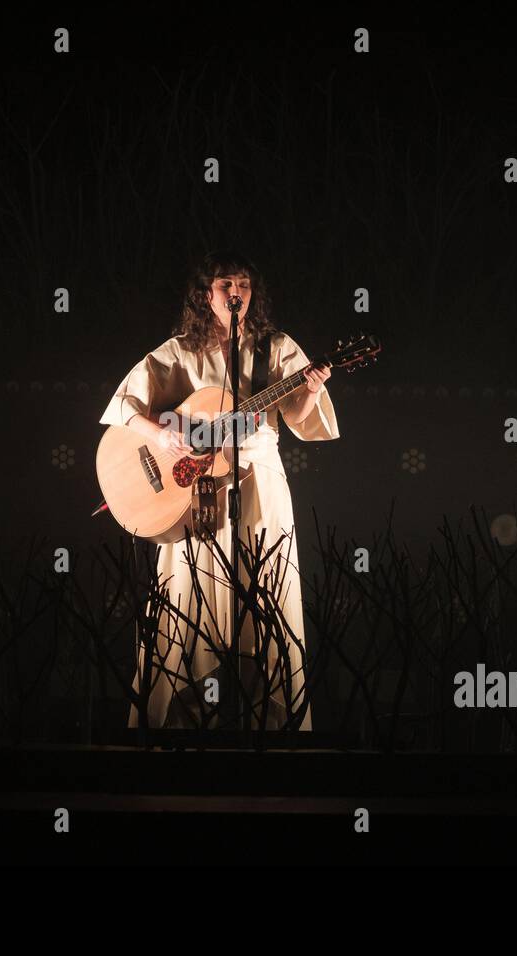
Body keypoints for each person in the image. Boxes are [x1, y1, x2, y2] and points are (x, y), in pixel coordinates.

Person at [99, 251, 338, 731]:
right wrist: (162, 434)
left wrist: (311, 388)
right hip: (195, 490)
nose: (236, 291)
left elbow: (296, 417)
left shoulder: (277, 347)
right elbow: (123, 404)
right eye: (225, 282)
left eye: (245, 284)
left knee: (265, 590)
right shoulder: (182, 350)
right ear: (205, 294)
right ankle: (177, 724)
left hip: (260, 480)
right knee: (190, 594)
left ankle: (271, 725)